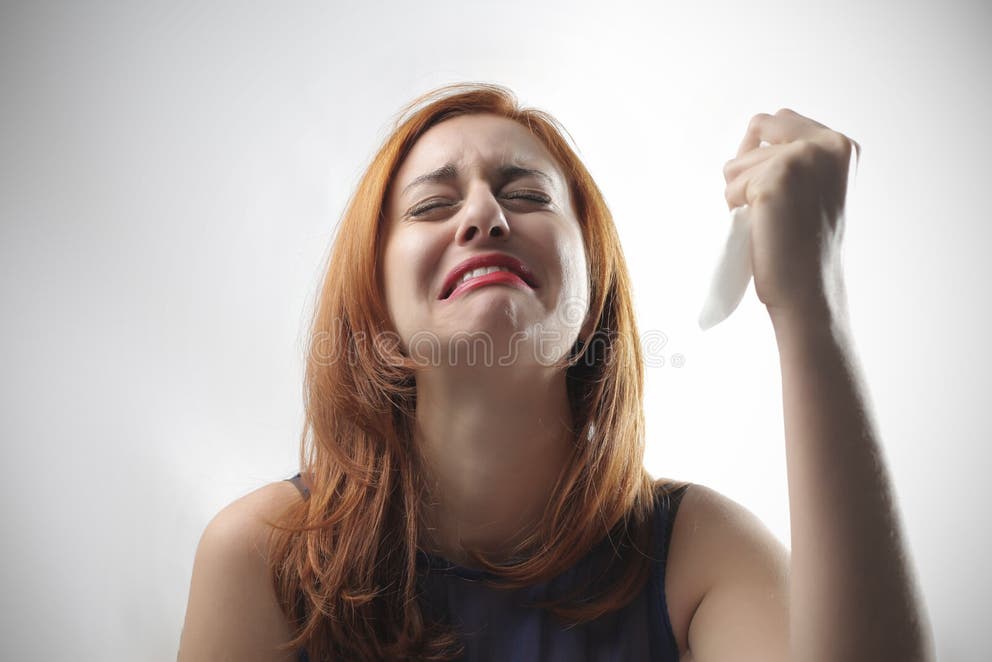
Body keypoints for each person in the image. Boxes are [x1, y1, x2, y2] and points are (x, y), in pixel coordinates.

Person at [178, 83, 934, 661]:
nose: (483, 216)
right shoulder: (261, 556)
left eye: (527, 194)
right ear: (375, 309)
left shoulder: (702, 553)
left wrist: (810, 306)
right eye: (433, 204)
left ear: (594, 287)